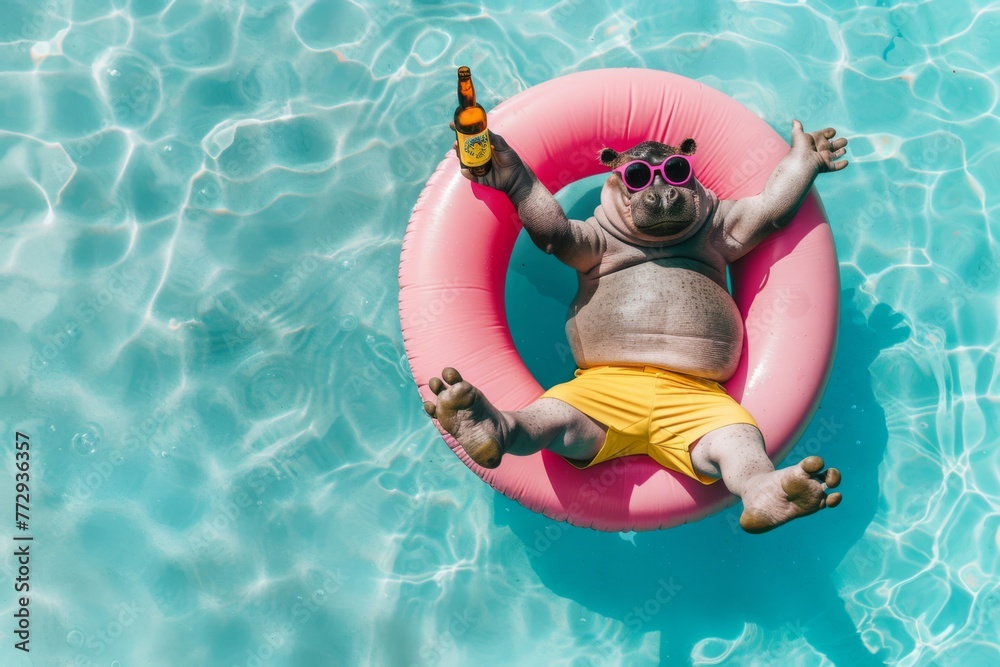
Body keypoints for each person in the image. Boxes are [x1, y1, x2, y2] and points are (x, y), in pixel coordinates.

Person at [424, 120, 848, 533]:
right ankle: (499, 429)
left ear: (693, 178)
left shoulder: (714, 230)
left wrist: (804, 162)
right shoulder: (601, 241)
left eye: (676, 173)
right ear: (614, 186)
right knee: (553, 419)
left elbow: (771, 211)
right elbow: (551, 232)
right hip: (602, 387)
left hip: (698, 397)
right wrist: (515, 179)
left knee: (738, 440)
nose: (661, 193)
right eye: (638, 178)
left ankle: (760, 488)